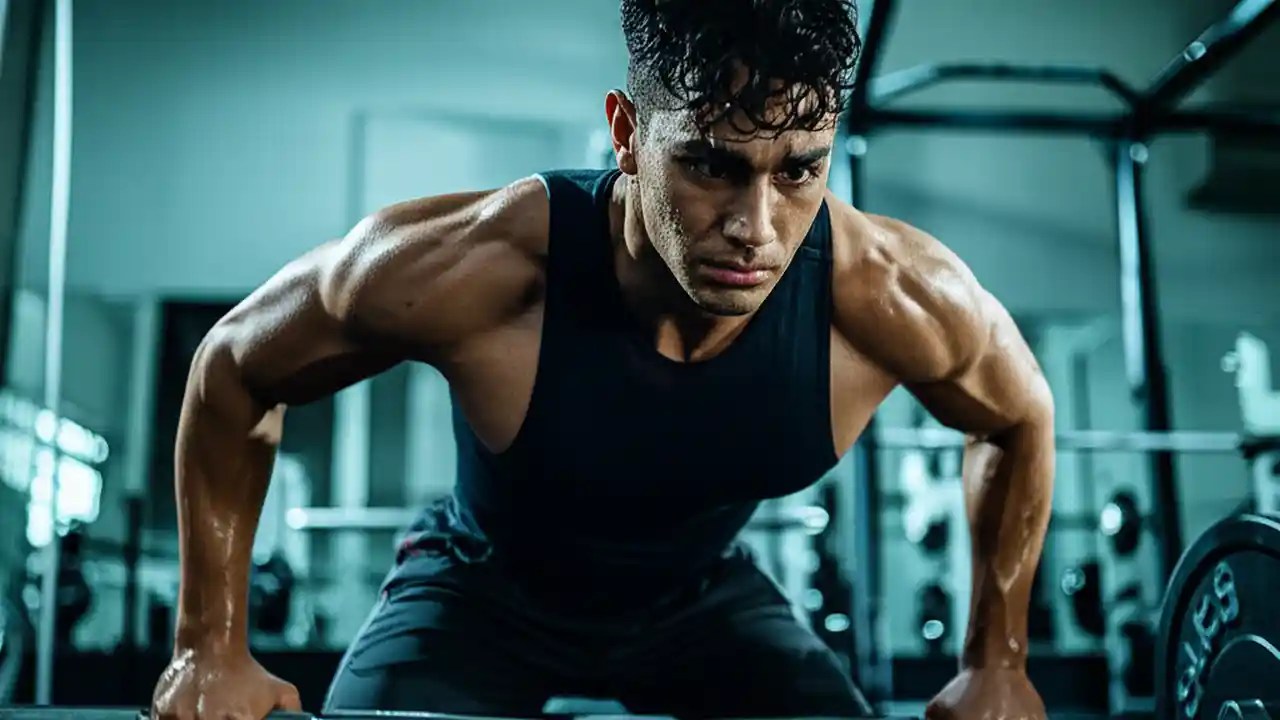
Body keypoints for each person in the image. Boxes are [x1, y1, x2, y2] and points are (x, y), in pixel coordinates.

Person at [151, 1, 1055, 718]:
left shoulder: (885, 294)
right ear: (627, 132)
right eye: (709, 165)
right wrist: (209, 645)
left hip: (706, 601)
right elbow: (234, 366)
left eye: (797, 172)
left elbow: (1018, 419)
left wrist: (997, 663)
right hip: (480, 589)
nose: (756, 228)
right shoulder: (485, 266)